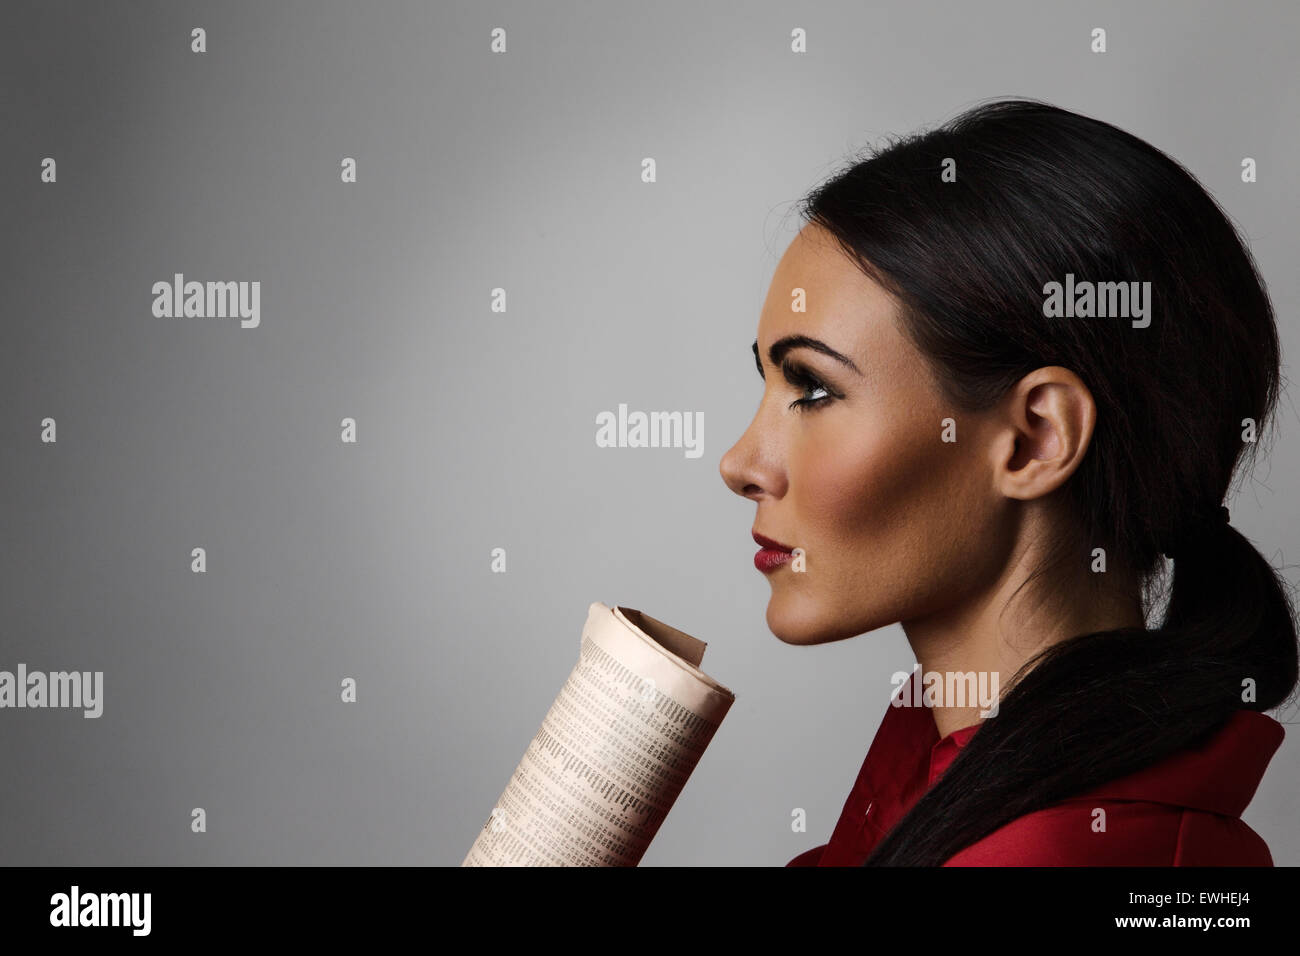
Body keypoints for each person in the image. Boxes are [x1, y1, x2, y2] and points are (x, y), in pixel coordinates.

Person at [719, 99, 1298, 866]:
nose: (740, 462)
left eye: (814, 390)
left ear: (1036, 438)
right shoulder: (951, 789)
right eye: (765, 381)